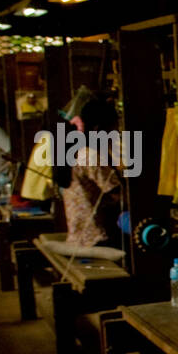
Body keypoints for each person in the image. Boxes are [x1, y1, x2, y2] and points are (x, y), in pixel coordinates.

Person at [60, 98, 122, 248]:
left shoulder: (75, 150)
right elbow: (118, 194)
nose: (115, 134)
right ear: (97, 129)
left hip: (79, 235)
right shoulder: (90, 156)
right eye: (112, 130)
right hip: (95, 237)